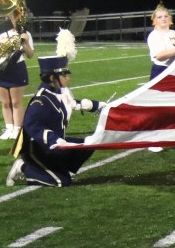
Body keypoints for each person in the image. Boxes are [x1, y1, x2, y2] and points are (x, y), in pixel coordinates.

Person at [6, 47, 104, 188]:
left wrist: (99, 106)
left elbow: (74, 104)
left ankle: (57, 168)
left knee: (89, 144)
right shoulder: (41, 99)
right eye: (64, 75)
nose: (68, 78)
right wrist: (53, 139)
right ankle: (23, 167)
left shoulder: (60, 92)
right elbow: (30, 124)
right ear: (52, 78)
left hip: (54, 143)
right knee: (61, 182)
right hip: (36, 148)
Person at [0, 7, 35, 140]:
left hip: (16, 68)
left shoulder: (25, 32)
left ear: (19, 17)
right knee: (5, 103)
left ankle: (18, 130)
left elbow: (30, 54)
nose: (9, 18)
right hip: (1, 69)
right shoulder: (0, 30)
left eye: (12, 15)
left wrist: (25, 43)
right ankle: (9, 128)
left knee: (16, 102)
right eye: (7, 15)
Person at [147, 3, 175, 79]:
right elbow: (159, 56)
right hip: (162, 70)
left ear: (170, 18)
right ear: (154, 20)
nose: (163, 19)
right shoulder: (154, 35)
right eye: (159, 17)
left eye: (166, 16)